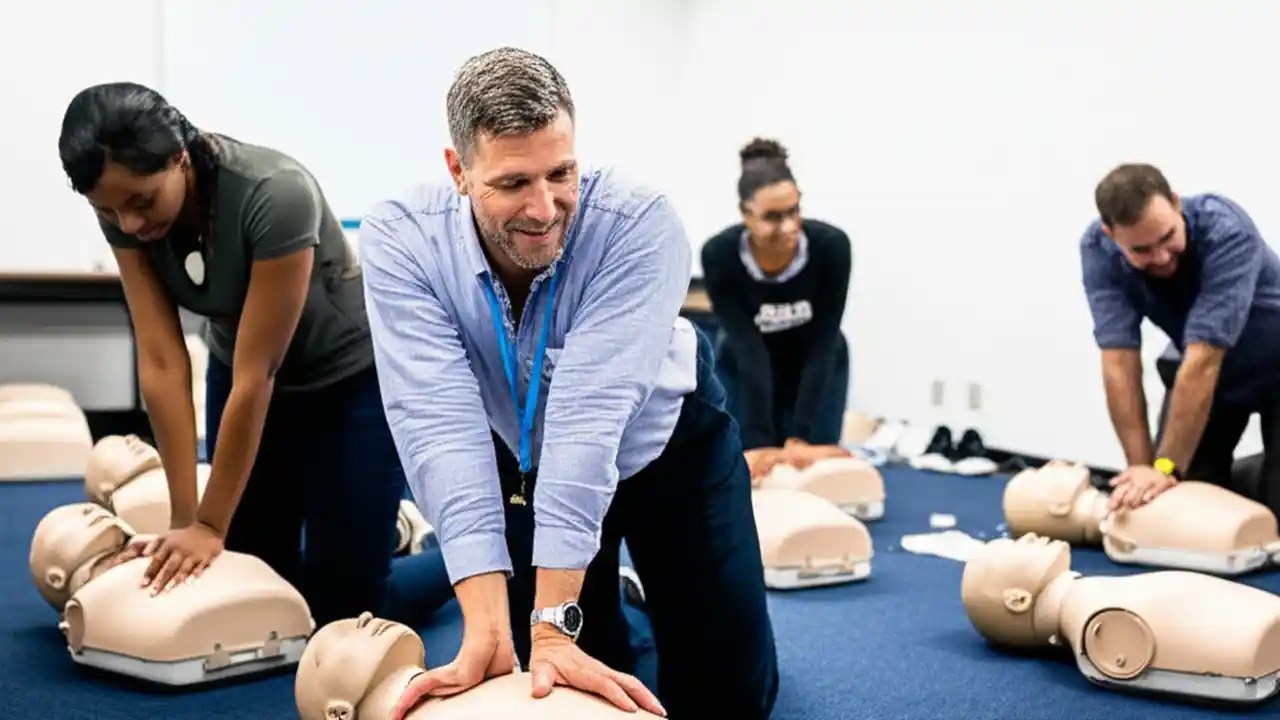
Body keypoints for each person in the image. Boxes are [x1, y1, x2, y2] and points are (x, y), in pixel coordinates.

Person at [358, 47, 779, 720]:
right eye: (513, 183)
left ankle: (630, 598)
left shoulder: (639, 224)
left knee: (728, 695)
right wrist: (490, 630)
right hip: (523, 451)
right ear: (457, 171)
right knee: (575, 671)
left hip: (666, 442)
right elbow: (438, 423)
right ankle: (615, 608)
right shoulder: (401, 240)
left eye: (561, 173)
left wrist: (551, 624)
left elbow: (591, 416)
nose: (545, 207)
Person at [56, 82, 452, 628]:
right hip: (242, 372)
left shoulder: (275, 192)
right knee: (255, 580)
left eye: (142, 202)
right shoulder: (124, 208)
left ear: (179, 156)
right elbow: (163, 363)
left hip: (350, 382)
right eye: (110, 210)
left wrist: (210, 527)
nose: (130, 225)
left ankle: (467, 557)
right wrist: (185, 521)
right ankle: (375, 529)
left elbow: (257, 373)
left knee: (344, 609)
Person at [1080, 162, 1280, 516]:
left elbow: (1203, 361)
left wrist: (1165, 467)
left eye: (1167, 238)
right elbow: (1118, 363)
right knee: (1178, 504)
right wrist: (1141, 472)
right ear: (1111, 235)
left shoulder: (1227, 231)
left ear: (1175, 204)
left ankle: (1265, 476)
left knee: (1275, 507)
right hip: (1213, 376)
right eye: (1142, 250)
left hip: (1267, 363)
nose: (1161, 257)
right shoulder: (1099, 251)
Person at [701, 139, 852, 452]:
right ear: (746, 214)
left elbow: (823, 343)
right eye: (772, 217)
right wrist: (758, 442)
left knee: (811, 466)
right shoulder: (719, 255)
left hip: (817, 364)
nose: (788, 226)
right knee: (747, 467)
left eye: (794, 211)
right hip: (745, 368)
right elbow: (749, 350)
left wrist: (802, 435)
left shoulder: (832, 247)